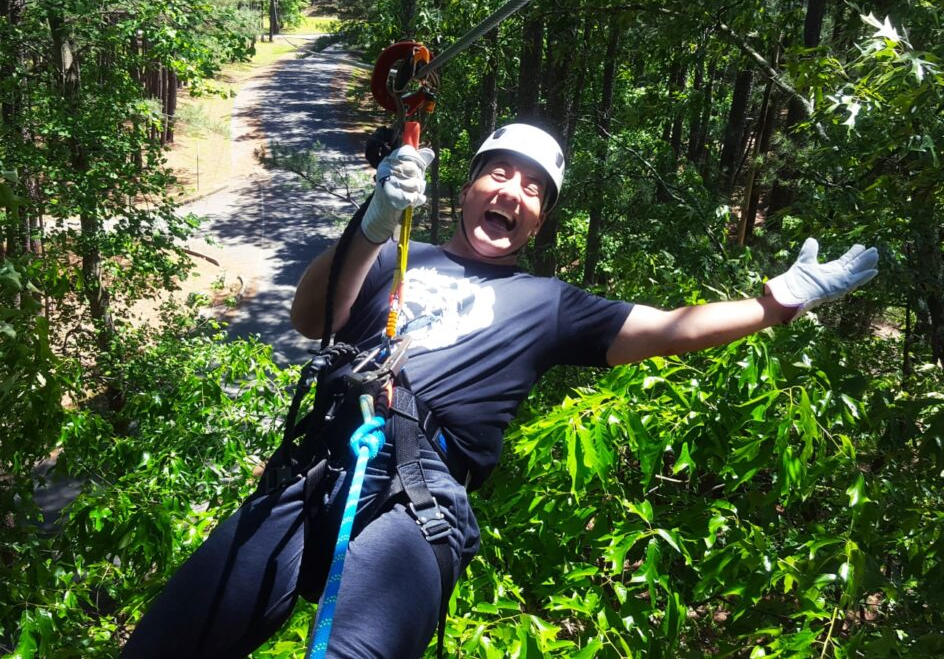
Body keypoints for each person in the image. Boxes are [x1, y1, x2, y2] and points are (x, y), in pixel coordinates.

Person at [122, 123, 878, 658]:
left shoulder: (547, 304)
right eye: (501, 172)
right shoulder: (392, 255)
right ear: (471, 184)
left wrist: (776, 302)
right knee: (162, 641)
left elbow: (673, 325)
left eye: (534, 188)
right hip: (316, 470)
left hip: (419, 502)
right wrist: (373, 220)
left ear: (539, 220)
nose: (513, 191)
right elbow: (308, 314)